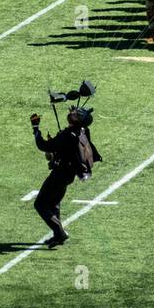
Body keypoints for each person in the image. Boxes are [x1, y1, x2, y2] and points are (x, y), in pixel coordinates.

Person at [29, 104, 101, 247]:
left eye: (76, 114)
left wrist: (36, 129)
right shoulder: (82, 131)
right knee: (54, 203)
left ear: (77, 121)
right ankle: (57, 235)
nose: (73, 113)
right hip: (68, 174)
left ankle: (60, 232)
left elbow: (43, 146)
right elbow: (64, 144)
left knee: (40, 204)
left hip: (59, 174)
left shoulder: (68, 135)